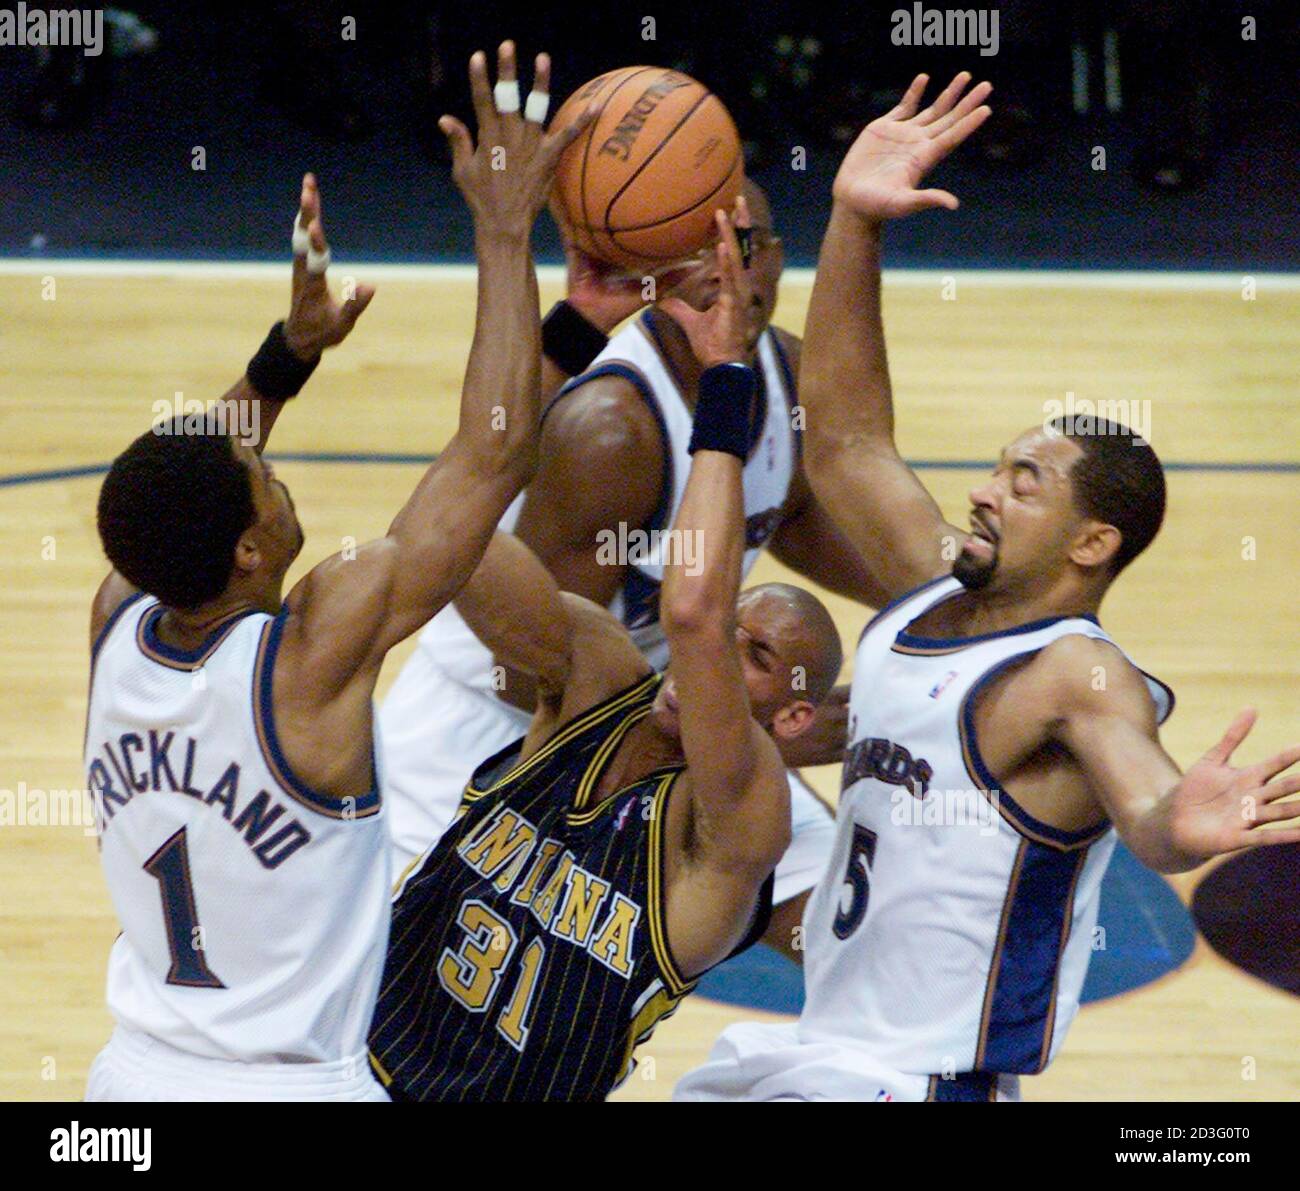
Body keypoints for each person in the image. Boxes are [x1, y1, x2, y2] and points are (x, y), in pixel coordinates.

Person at [676, 72, 1300, 1103]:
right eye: (995, 468)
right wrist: (853, 221)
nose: (981, 492)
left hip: (914, 1082)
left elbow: (1141, 802)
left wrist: (1174, 829)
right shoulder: (930, 599)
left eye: (1024, 483)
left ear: (1091, 540)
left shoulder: (1074, 674)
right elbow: (841, 439)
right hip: (823, 1053)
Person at [83, 42, 585, 1100]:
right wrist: (505, 230)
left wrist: (287, 356)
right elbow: (492, 453)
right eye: (257, 472)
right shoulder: (310, 651)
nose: (267, 456)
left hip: (125, 1087)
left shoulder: (119, 618)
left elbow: (180, 478)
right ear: (252, 550)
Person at [367, 206, 844, 1101]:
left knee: (858, 927)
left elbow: (699, 614)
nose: (712, 648)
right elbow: (439, 527)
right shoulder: (597, 672)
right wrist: (560, 322)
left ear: (787, 721)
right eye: (732, 624)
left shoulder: (746, 822)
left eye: (753, 657)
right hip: (364, 1069)